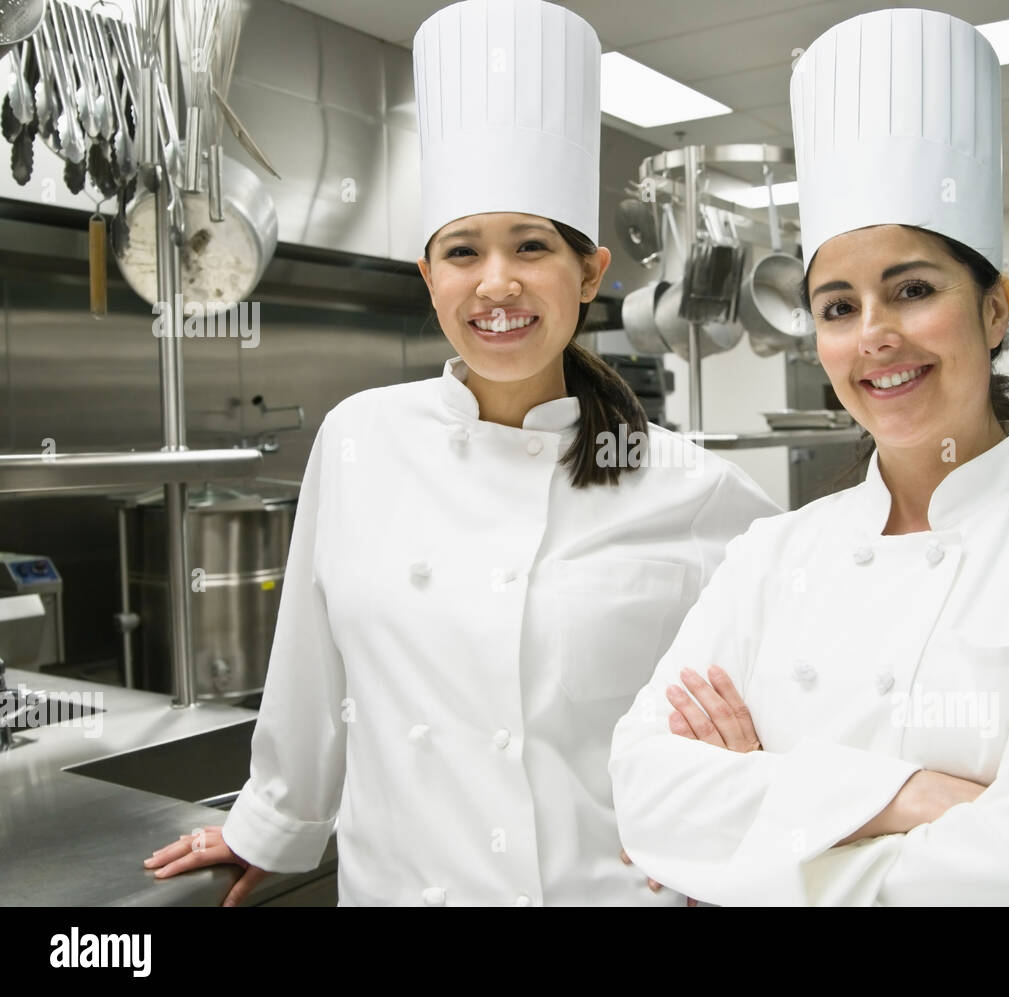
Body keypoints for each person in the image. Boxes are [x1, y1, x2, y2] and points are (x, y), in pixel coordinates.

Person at [143, 0, 779, 906]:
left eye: (531, 246)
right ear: (429, 276)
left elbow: (801, 687)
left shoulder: (699, 488)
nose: (497, 283)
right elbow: (311, 668)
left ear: (591, 273)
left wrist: (747, 789)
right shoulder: (360, 438)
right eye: (462, 251)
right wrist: (272, 826)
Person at [608, 6, 1009, 906]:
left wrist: (760, 831)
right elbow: (646, 789)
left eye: (912, 290)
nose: (874, 335)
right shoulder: (774, 551)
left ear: (995, 308)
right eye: (838, 307)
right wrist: (911, 796)